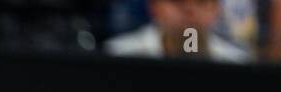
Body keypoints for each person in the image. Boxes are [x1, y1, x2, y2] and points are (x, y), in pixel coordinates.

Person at [105, 0, 253, 61]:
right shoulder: (118, 54)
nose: (189, 10)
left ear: (216, 10)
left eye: (201, 2)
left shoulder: (237, 61)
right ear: (154, 6)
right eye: (178, 1)